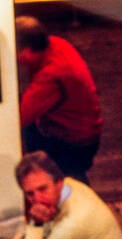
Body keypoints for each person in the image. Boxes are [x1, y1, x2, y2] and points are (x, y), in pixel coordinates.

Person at [16, 16, 102, 183]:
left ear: (26, 52)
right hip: (84, 132)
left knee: (70, 182)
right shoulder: (57, 43)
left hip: (73, 143)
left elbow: (19, 117)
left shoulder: (52, 75)